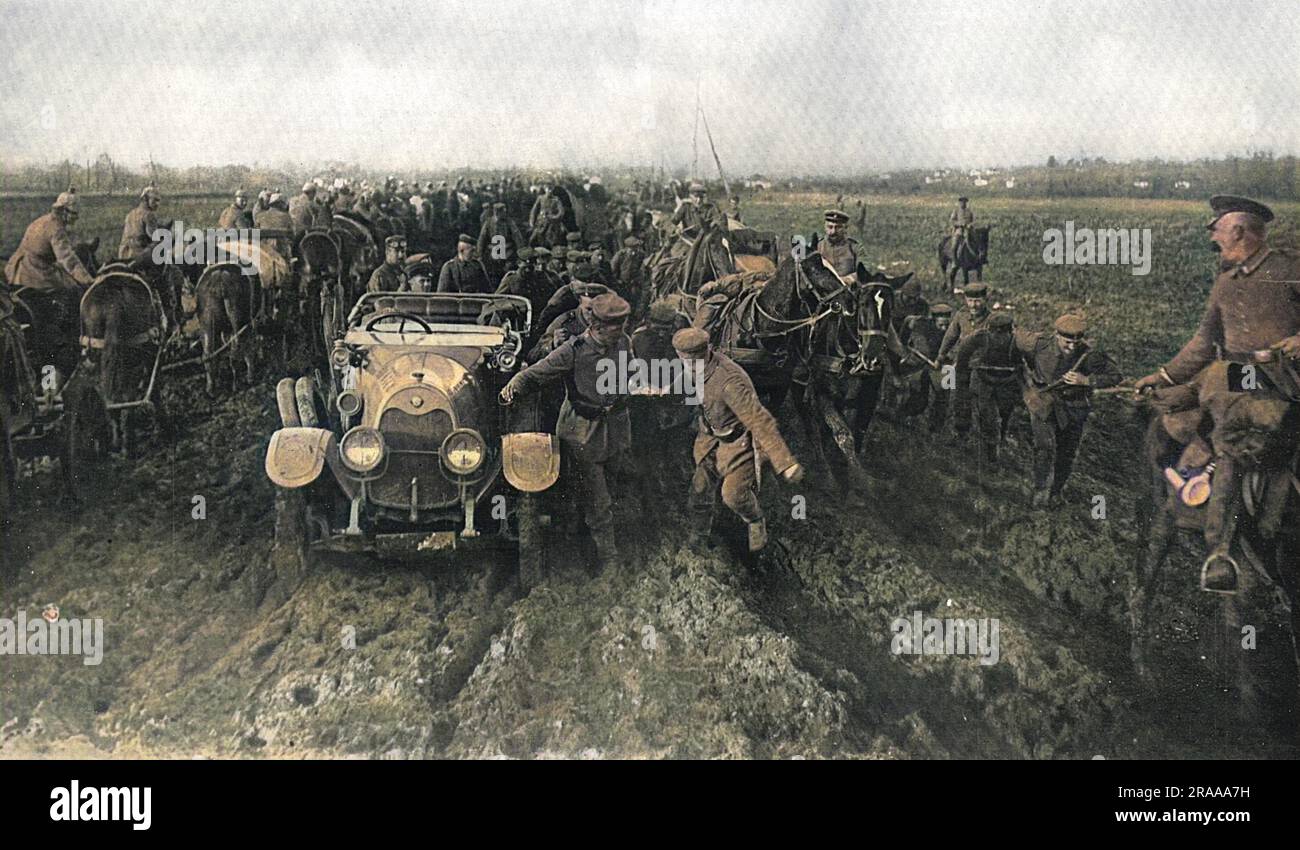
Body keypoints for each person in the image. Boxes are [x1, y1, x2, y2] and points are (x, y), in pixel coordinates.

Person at [499, 293, 634, 570]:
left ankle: (581, 532)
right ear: (596, 326)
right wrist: (512, 387)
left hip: (616, 428)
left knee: (609, 488)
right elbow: (535, 373)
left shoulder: (624, 343)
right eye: (614, 326)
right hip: (582, 431)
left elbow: (631, 371)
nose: (620, 332)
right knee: (599, 500)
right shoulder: (574, 350)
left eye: (622, 325)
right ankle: (609, 561)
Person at [673, 327, 804, 553]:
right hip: (710, 439)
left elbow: (759, 419)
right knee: (699, 490)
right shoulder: (691, 367)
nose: (690, 368)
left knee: (733, 495)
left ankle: (755, 521)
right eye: (685, 362)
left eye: (695, 362)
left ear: (708, 351)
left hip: (739, 444)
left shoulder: (730, 381)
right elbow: (683, 382)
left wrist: (785, 462)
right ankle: (699, 536)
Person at [1016, 313, 1122, 507]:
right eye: (1067, 342)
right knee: (1044, 448)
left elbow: (1116, 375)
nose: (1072, 347)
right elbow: (1013, 341)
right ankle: (1040, 490)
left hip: (1074, 408)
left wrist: (1088, 381)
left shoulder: (1089, 356)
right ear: (1056, 335)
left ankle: (1056, 491)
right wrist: (1026, 386)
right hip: (1044, 404)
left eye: (1077, 341)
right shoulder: (1038, 344)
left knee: (1067, 452)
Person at [5, 190, 95, 375]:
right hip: (35, 273)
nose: (75, 219)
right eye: (74, 214)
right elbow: (68, 259)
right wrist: (88, 280)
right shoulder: (56, 229)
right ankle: (70, 346)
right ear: (63, 211)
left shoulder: (43, 220)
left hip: (18, 270)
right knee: (72, 294)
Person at [954, 312, 1022, 464]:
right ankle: (990, 451)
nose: (999, 336)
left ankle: (1001, 436)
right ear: (989, 330)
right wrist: (963, 377)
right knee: (987, 415)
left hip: (1007, 381)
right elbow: (963, 355)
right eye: (996, 332)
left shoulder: (1017, 340)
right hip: (983, 380)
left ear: (1010, 330)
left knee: (1005, 412)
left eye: (1003, 332)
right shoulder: (978, 337)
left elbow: (1027, 361)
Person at [937, 281, 995, 441]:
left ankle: (987, 438)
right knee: (960, 399)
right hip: (962, 364)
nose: (973, 305)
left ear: (985, 299)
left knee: (983, 403)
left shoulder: (992, 320)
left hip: (983, 367)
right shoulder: (961, 316)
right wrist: (941, 355)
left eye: (977, 301)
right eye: (969, 300)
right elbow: (950, 336)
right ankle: (961, 433)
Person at [118, 185, 163, 263]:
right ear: (145, 199)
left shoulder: (131, 213)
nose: (157, 204)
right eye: (154, 200)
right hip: (139, 256)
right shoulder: (149, 215)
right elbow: (154, 237)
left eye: (158, 201)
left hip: (123, 254)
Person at [818, 209, 860, 280]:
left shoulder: (855, 247)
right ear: (825, 227)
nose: (833, 231)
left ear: (845, 228)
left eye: (838, 227)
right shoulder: (817, 247)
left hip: (849, 289)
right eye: (830, 227)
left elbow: (865, 271)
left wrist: (848, 279)